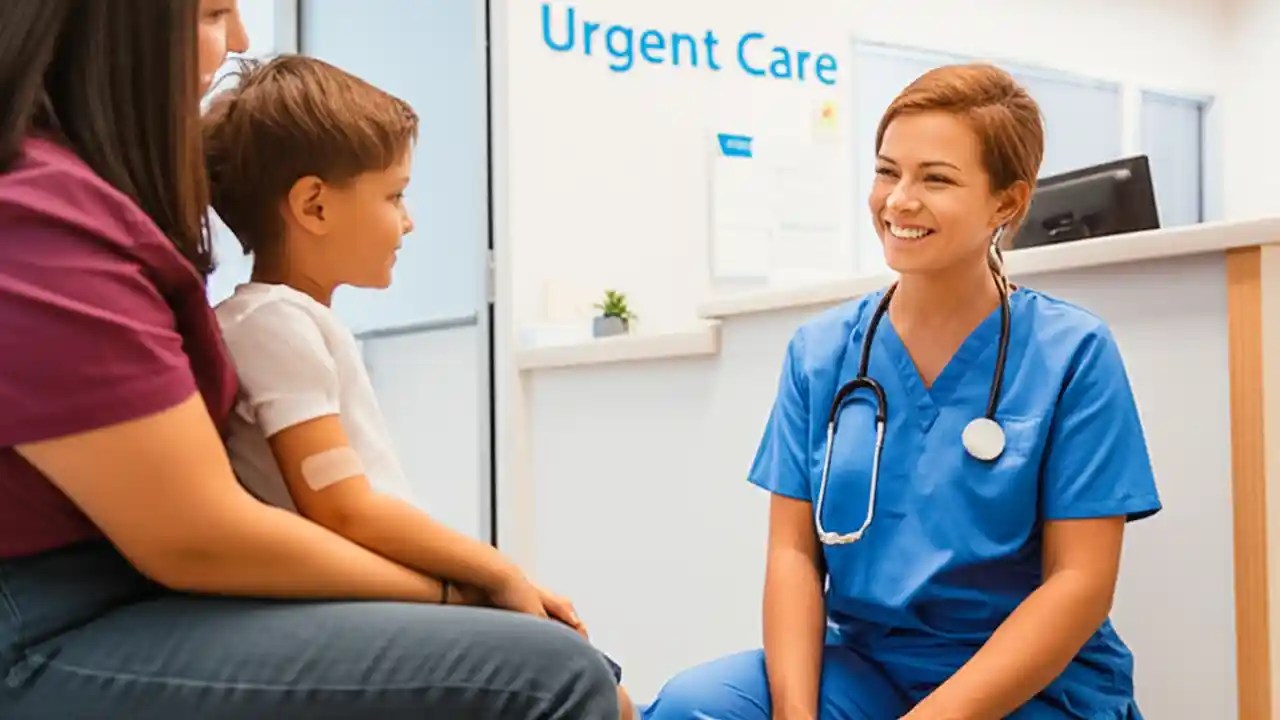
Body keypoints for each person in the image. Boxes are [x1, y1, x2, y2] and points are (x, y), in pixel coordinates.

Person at [0, 1, 619, 718]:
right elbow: (207, 534)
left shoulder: (93, 210)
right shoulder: (46, 220)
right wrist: (465, 590)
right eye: (211, 14)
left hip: (118, 594)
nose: (237, 41)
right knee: (553, 675)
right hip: (52, 623)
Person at [640, 64, 1161, 720]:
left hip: (1025, 684)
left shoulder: (1073, 354)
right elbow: (794, 555)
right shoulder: (822, 352)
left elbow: (1079, 585)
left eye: (935, 178)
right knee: (696, 706)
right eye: (887, 171)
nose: (898, 201)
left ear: (1006, 202)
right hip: (866, 666)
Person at [202, 54, 634, 716]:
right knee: (595, 685)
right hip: (344, 606)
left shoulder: (291, 322)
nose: (409, 222)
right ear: (314, 205)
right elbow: (343, 508)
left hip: (366, 596)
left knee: (609, 688)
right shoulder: (272, 322)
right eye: (394, 195)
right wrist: (496, 573)